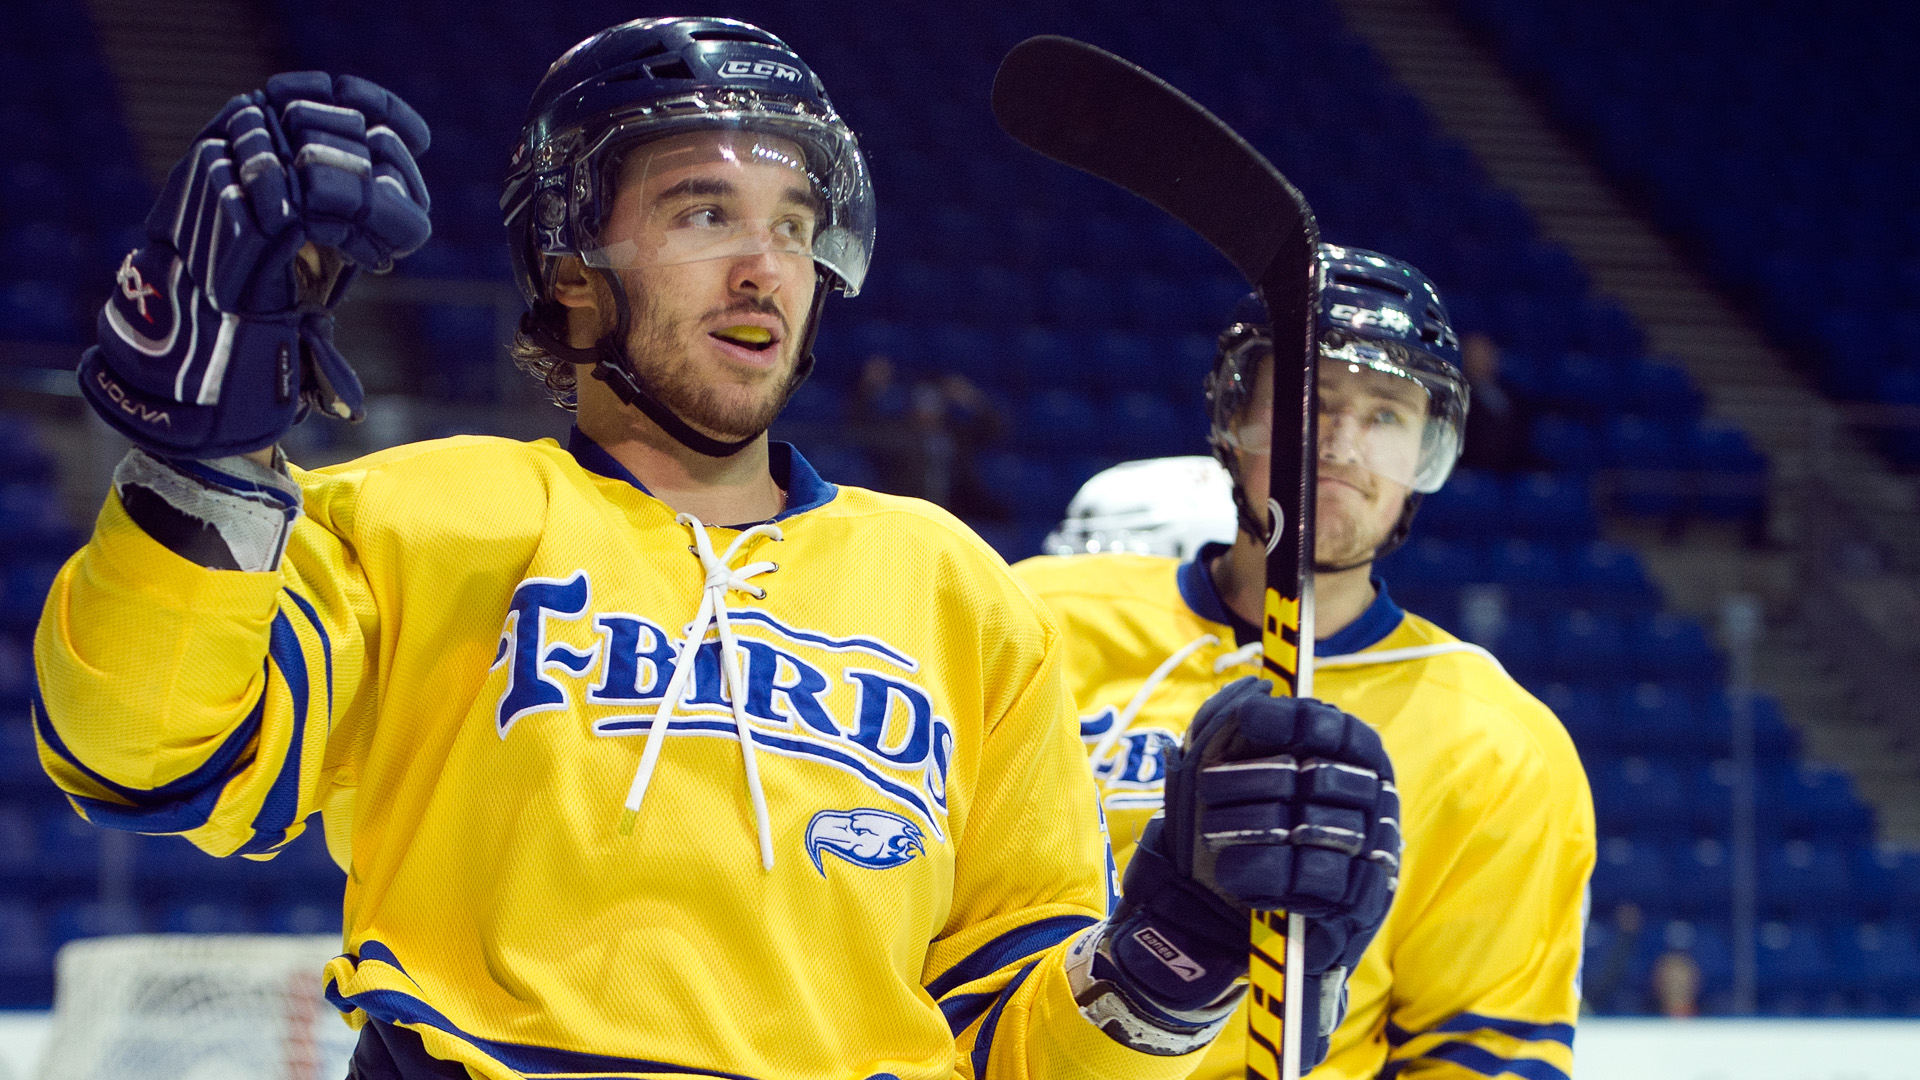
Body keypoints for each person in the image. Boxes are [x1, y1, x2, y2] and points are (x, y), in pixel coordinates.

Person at [36, 19, 1398, 1080]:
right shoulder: (417, 514)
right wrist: (194, 463)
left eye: (794, 227)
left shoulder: (952, 587)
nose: (765, 266)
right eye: (704, 214)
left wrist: (1176, 954)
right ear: (573, 261)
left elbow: (1017, 1040)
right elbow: (137, 753)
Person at [1015, 246, 1596, 1080]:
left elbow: (1486, 1058)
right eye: (1310, 402)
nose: (1342, 448)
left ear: (1427, 457)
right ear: (1232, 414)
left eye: (1387, 416)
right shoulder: (1033, 621)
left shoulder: (1499, 742)